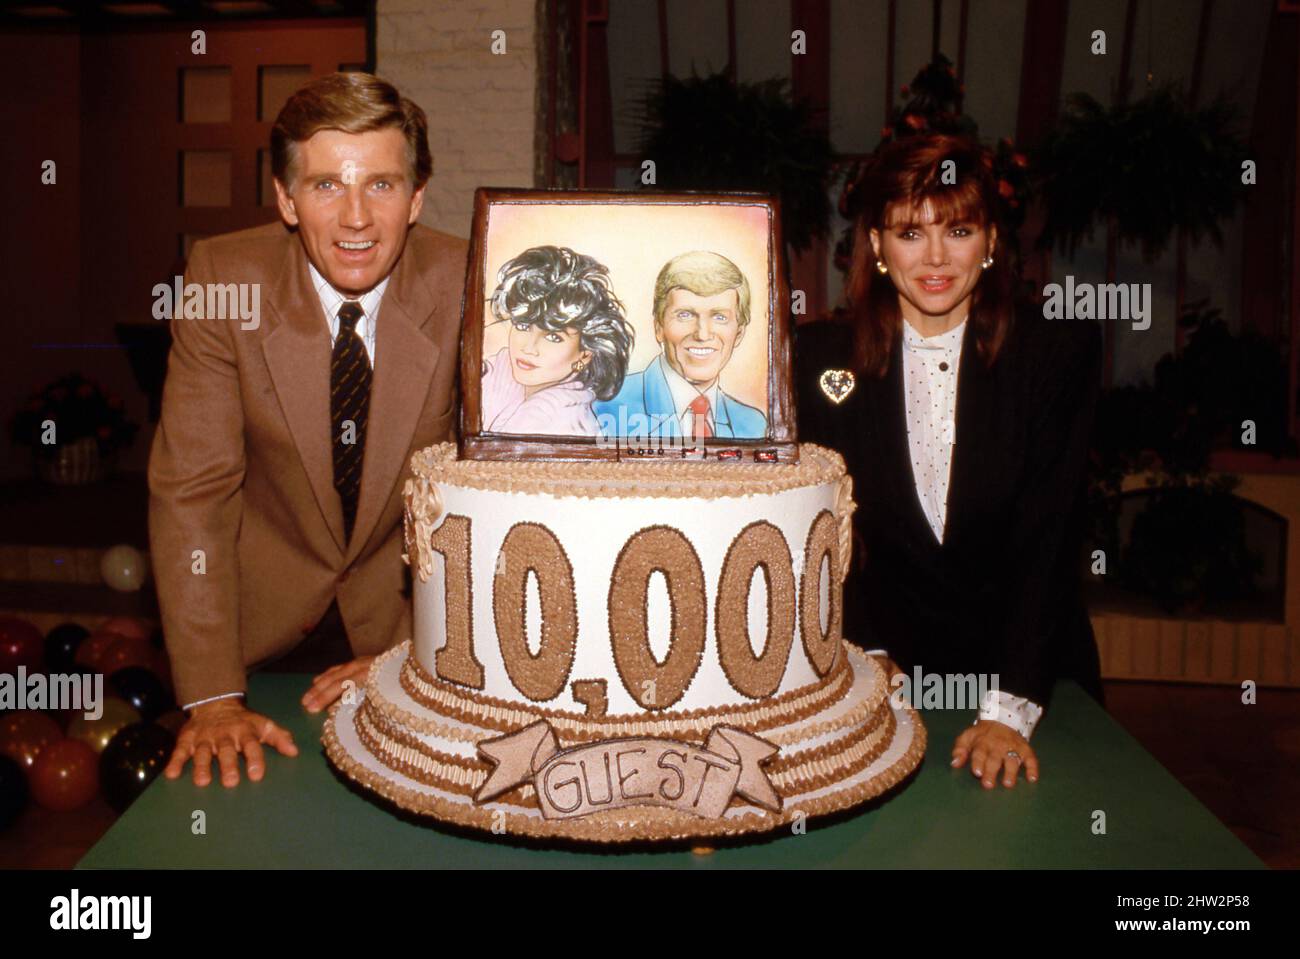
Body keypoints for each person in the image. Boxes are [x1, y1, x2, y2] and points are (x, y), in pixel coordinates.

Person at [150, 72, 467, 788]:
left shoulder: (471, 281)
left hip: (407, 627)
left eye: (381, 185)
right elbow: (192, 493)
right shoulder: (220, 280)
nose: (356, 218)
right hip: (255, 639)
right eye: (326, 186)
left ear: (417, 196)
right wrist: (210, 695)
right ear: (286, 199)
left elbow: (495, 490)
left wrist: (417, 651)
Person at [797, 132, 1103, 791]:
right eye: (911, 232)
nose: (936, 257)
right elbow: (824, 537)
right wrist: (868, 658)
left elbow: (1049, 541)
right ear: (876, 245)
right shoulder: (818, 360)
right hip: (884, 694)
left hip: (1033, 683)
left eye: (958, 228)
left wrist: (1008, 711)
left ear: (991, 240)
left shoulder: (1054, 353)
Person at [594, 251, 767, 441]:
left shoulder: (754, 426)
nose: (702, 334)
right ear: (658, 326)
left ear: (739, 333)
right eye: (685, 315)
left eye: (719, 317)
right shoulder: (603, 407)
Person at [480, 246, 634, 436]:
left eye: (553, 337)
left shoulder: (565, 424)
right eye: (523, 326)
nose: (529, 348)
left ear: (585, 355)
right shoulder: (492, 373)